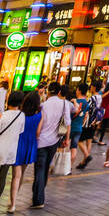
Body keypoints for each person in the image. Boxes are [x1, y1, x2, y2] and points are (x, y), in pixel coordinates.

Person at [32, 81, 72, 209]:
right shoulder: (65, 104)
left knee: (39, 169)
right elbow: (67, 123)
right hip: (54, 141)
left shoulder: (43, 105)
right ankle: (38, 193)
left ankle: (38, 199)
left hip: (41, 141)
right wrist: (67, 139)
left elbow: (38, 124)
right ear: (60, 92)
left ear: (48, 91)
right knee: (45, 168)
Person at [0, 90, 25, 216]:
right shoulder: (22, 116)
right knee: (2, 178)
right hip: (10, 151)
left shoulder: (2, 115)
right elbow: (20, 131)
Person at [10, 90, 42, 214]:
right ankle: (14, 198)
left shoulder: (20, 114)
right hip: (31, 144)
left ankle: (12, 203)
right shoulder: (40, 115)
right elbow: (38, 132)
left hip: (19, 143)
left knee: (15, 175)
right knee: (21, 173)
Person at [72, 84, 96, 169]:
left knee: (69, 147)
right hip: (79, 126)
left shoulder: (73, 101)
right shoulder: (86, 104)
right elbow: (85, 116)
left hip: (71, 126)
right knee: (75, 146)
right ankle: (86, 155)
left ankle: (68, 167)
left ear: (79, 90)